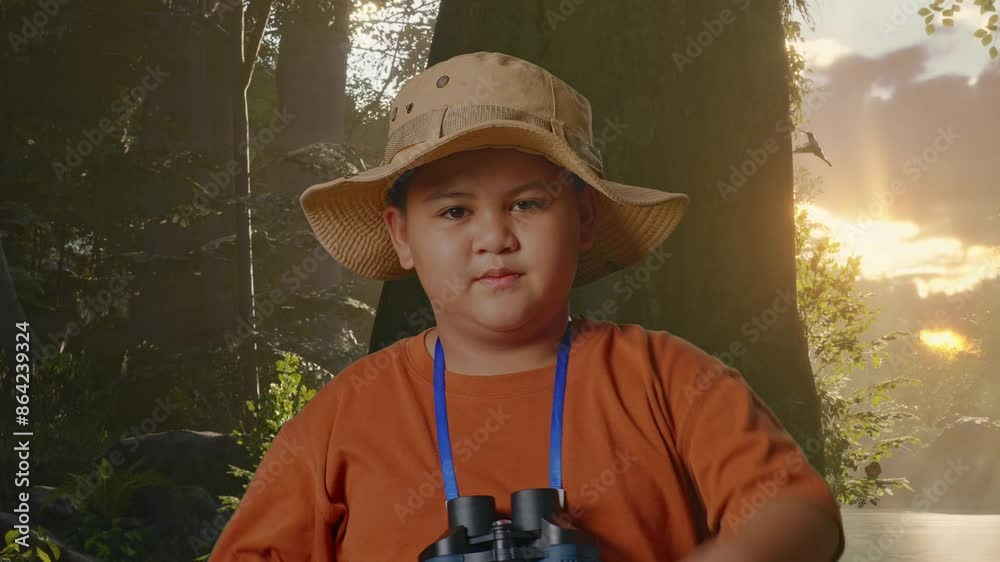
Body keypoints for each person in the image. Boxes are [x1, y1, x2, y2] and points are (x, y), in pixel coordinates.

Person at [208, 51, 845, 562]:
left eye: (528, 204)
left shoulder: (669, 379)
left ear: (586, 218)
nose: (495, 237)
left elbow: (800, 512)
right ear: (402, 236)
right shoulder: (345, 416)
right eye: (455, 211)